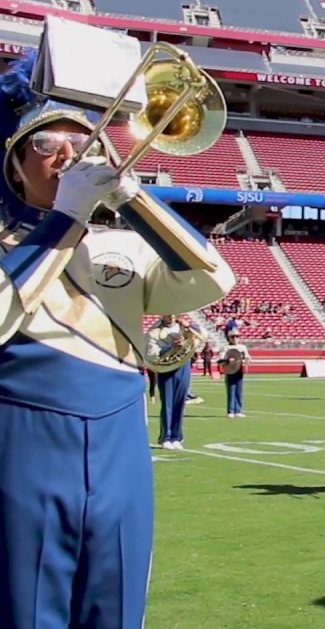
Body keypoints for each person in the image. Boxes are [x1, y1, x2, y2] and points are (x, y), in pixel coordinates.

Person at [0, 48, 234, 627]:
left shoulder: (126, 246)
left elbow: (214, 279)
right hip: (26, 437)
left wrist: (131, 197)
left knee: (119, 599)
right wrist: (66, 216)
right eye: (45, 146)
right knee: (26, 604)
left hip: (120, 441)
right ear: (13, 166)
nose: (66, 156)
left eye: (80, 145)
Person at [146, 313, 205, 449]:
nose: (171, 316)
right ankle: (165, 437)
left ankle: (177, 436)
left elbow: (201, 335)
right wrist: (170, 347)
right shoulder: (155, 331)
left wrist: (188, 326)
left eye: (173, 313)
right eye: (168, 313)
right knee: (168, 403)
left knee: (180, 402)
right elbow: (151, 352)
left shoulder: (184, 327)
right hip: (166, 368)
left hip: (183, 365)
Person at [218, 327, 252, 417]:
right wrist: (228, 360)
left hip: (239, 370)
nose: (235, 339)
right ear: (229, 338)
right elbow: (220, 360)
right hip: (230, 371)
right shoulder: (226, 348)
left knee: (239, 391)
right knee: (231, 390)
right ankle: (231, 410)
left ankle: (238, 410)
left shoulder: (242, 347)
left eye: (237, 336)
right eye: (233, 337)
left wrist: (247, 358)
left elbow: (247, 357)